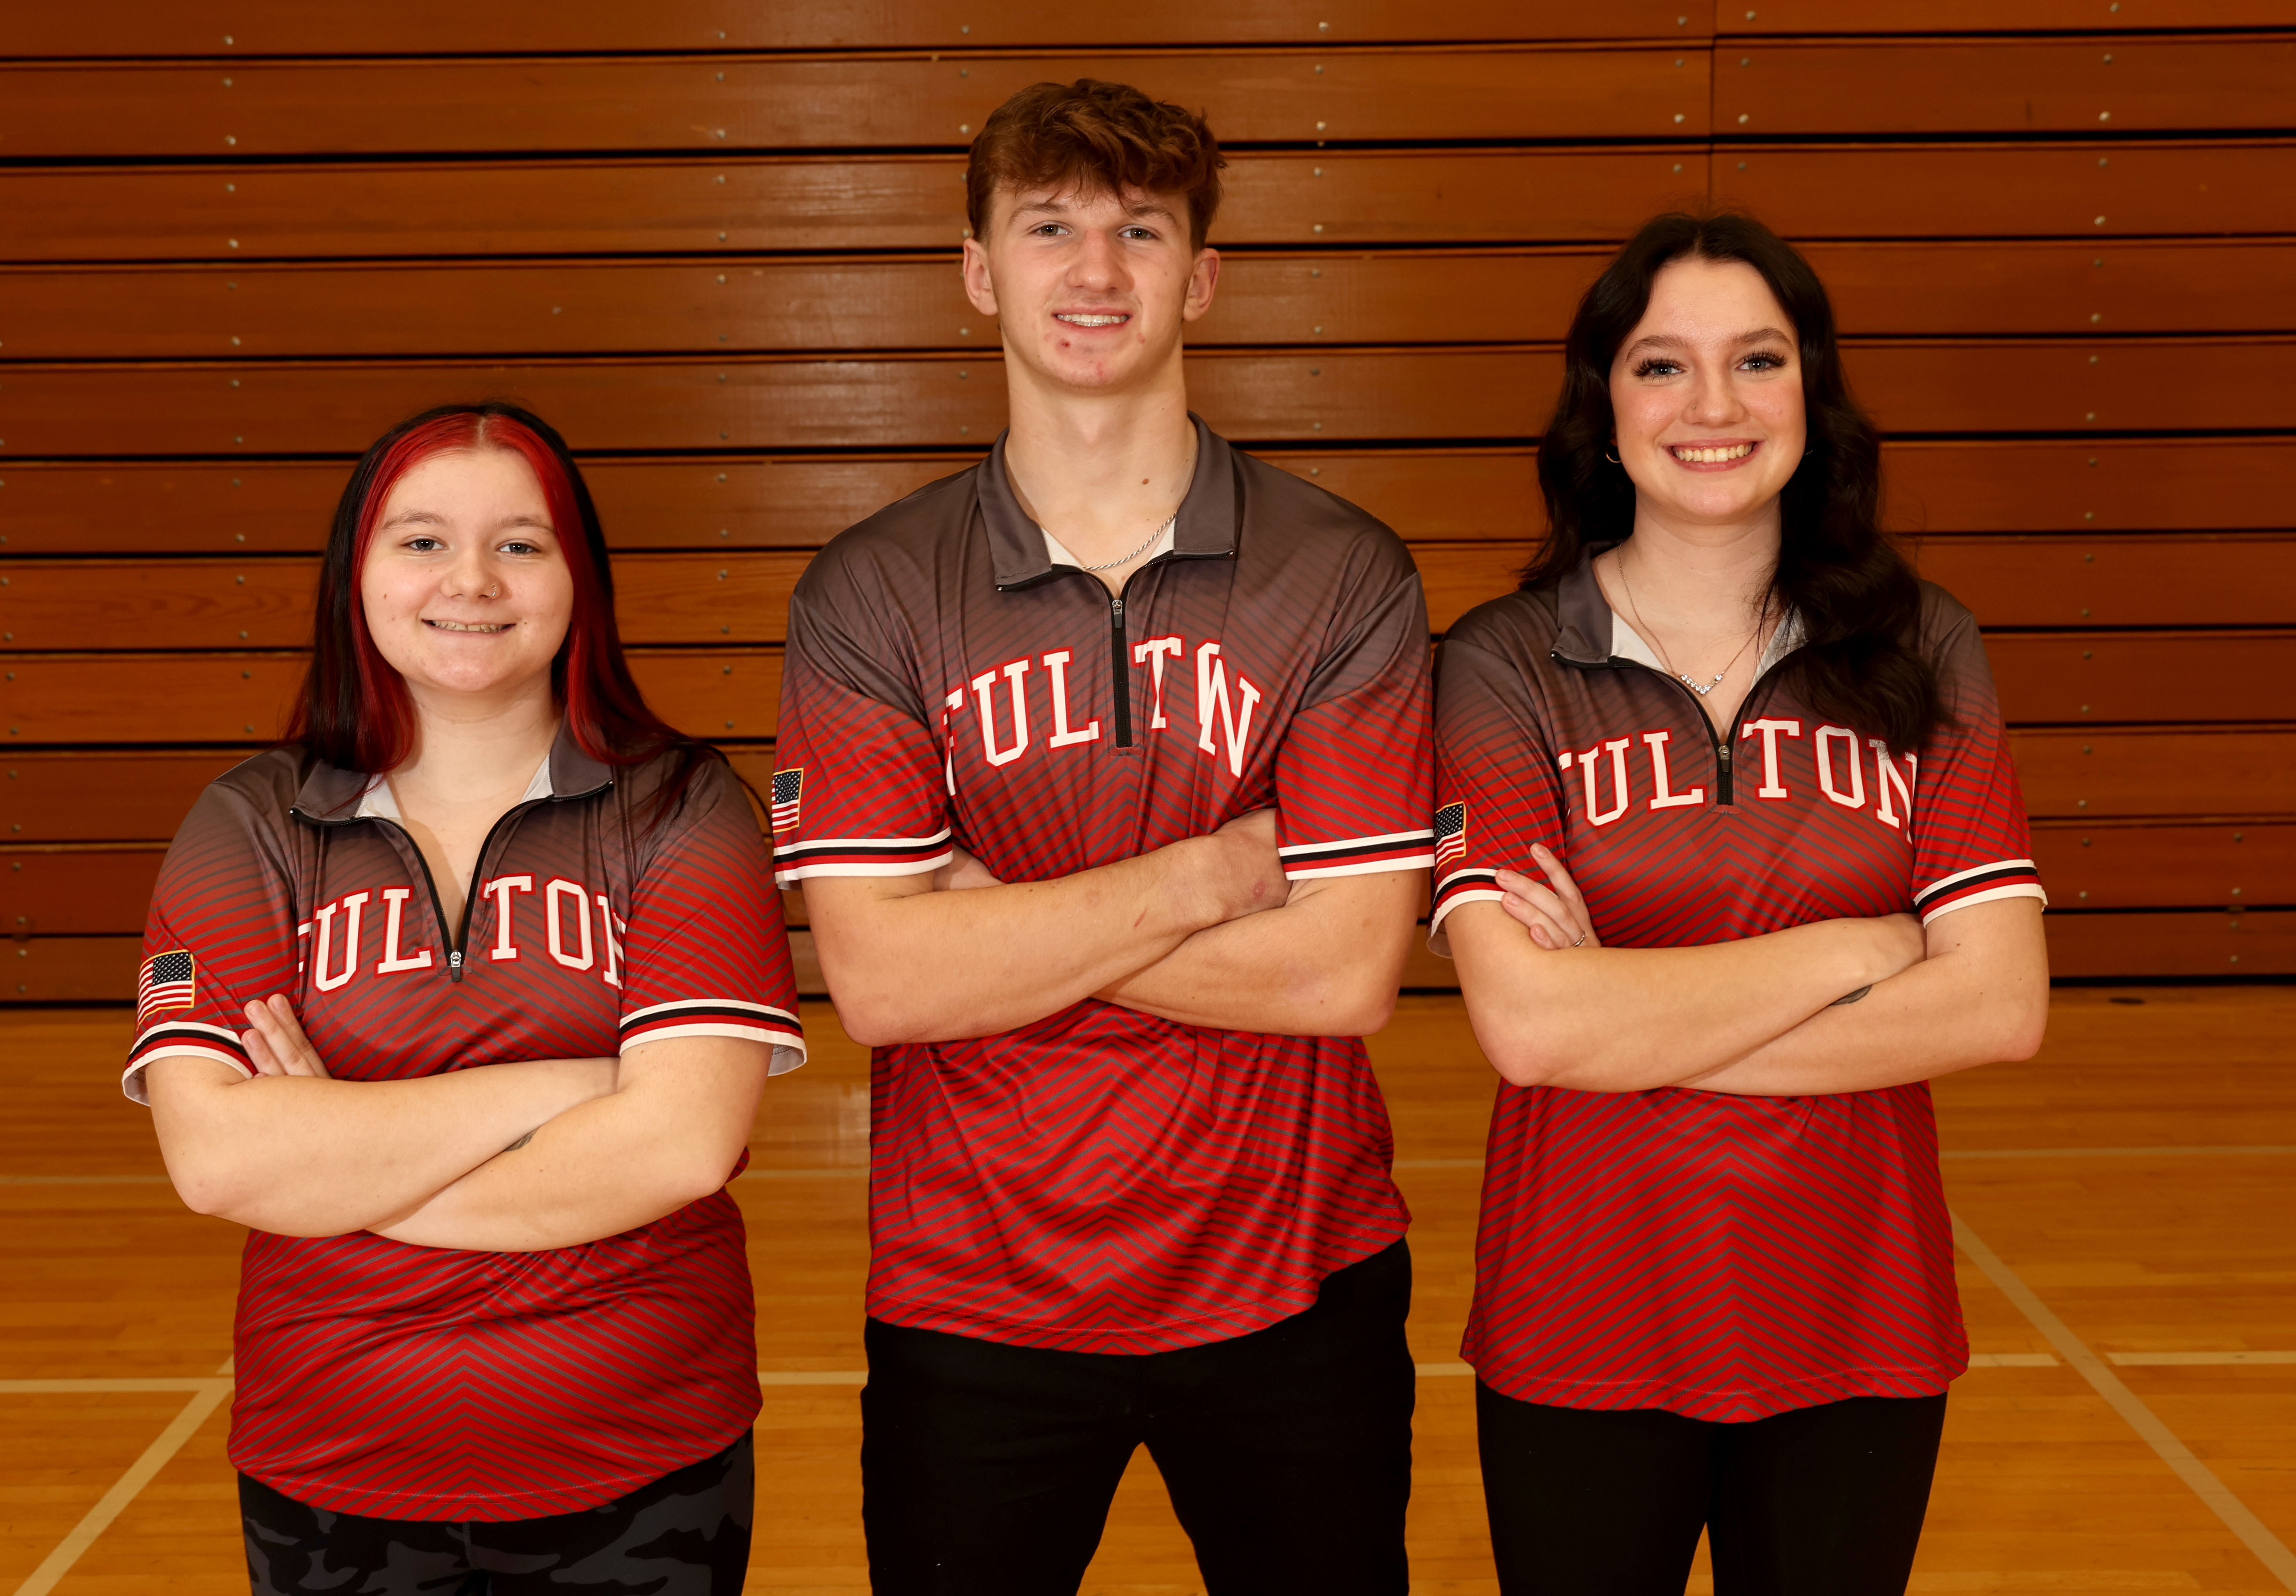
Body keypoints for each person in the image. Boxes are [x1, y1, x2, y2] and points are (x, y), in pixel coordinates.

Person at [771, 79, 1434, 1595]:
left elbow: (1342, 976)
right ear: (977, 270)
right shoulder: (872, 596)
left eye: (1139, 231)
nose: (1095, 272)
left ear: (1199, 276)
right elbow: (884, 988)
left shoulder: (1339, 576)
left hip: (1295, 1285)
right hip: (973, 1301)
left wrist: (996, 921)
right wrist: (1215, 872)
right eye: (1049, 226)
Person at [1430, 212, 2049, 1595]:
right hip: (1586, 1312)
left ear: (1810, 399)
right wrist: (1864, 946)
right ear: (1601, 407)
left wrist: (1630, 1020)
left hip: (1853, 1308)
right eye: (1661, 367)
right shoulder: (1502, 665)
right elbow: (1531, 1032)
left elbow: (2000, 1002)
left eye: (1756, 361)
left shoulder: (1922, 645)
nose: (1711, 407)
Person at [130, 403, 805, 1596]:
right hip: (332, 1461)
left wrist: (340, 1153)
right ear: (361, 573)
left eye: (523, 543)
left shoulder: (684, 810)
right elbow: (223, 1163)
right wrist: (571, 1085)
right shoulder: (248, 824)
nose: (473, 581)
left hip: (643, 1463)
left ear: (578, 577)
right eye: (423, 540)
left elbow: (682, 1144)